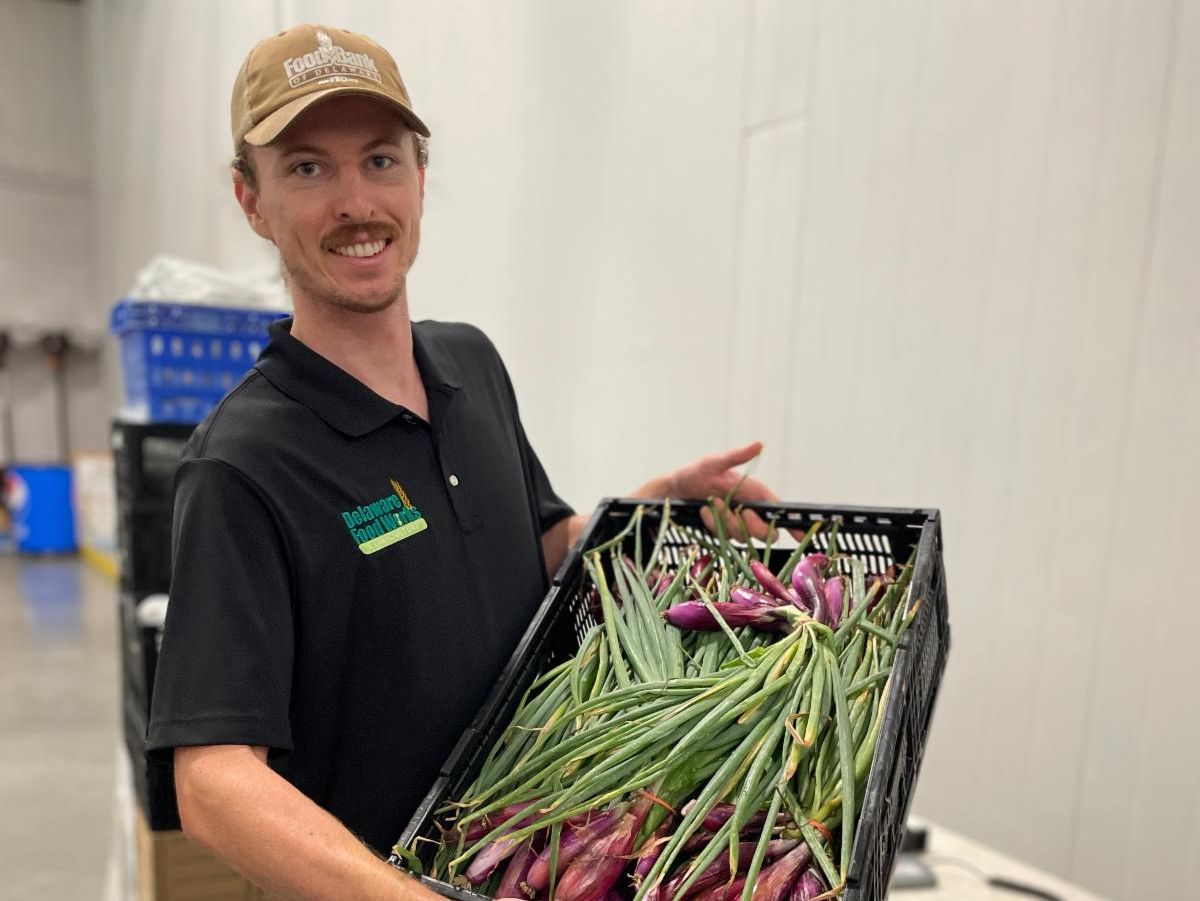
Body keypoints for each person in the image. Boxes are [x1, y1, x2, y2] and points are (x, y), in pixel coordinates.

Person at [147, 23, 783, 900]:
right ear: (250, 201)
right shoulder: (243, 463)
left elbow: (544, 547)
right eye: (307, 168)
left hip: (534, 855)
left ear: (419, 174)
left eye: (380, 160)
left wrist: (654, 502)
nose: (356, 203)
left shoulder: (472, 364)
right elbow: (214, 781)